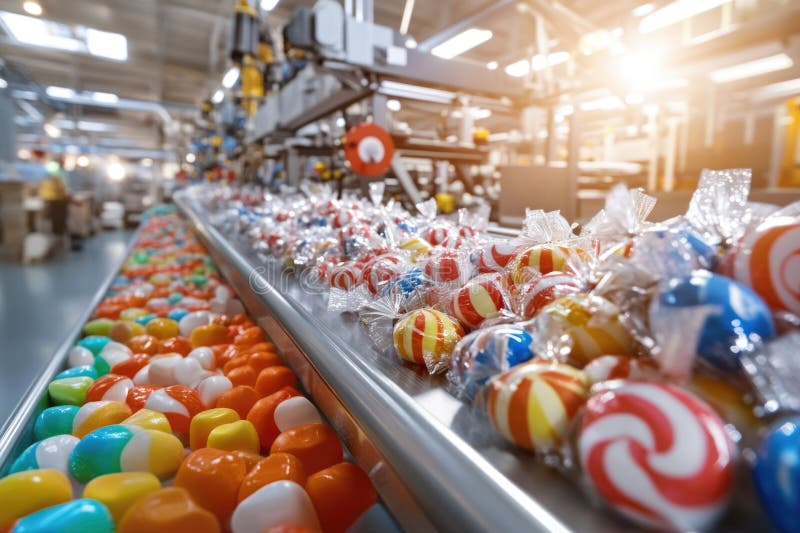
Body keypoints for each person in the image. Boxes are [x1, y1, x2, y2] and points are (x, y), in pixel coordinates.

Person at [38, 169, 70, 250]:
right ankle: (58, 238)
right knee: (57, 222)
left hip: (56, 203)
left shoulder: (50, 181)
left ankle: (57, 238)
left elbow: (62, 191)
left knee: (57, 222)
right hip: (56, 203)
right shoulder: (55, 181)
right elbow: (63, 191)